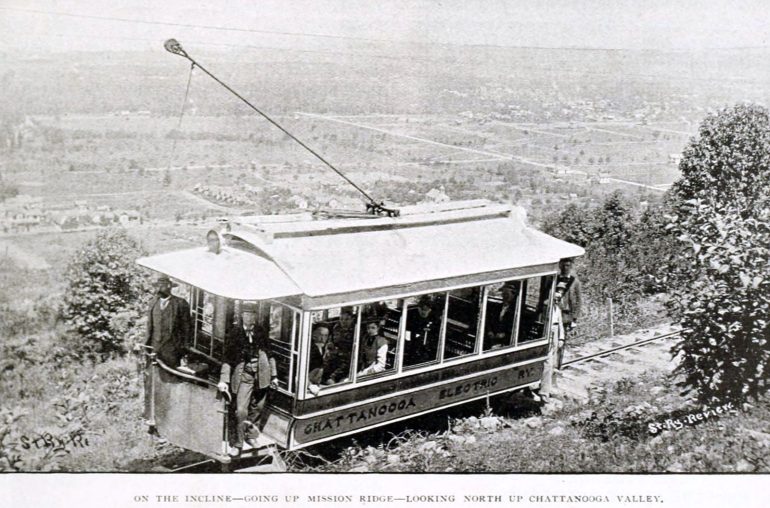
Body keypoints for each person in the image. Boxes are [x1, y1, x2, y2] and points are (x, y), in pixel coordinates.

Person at [218, 307, 278, 455]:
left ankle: (251, 437)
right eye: (247, 315)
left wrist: (274, 376)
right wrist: (224, 380)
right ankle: (238, 444)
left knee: (257, 408)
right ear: (242, 316)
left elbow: (270, 355)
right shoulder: (234, 334)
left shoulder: (261, 332)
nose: (250, 318)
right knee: (241, 411)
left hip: (262, 376)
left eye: (252, 315)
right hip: (244, 376)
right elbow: (227, 359)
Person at [145, 275, 191, 367]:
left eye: (161, 286)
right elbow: (149, 326)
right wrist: (146, 344)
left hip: (172, 349)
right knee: (154, 371)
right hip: (155, 347)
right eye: (157, 286)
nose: (158, 289)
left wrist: (184, 348)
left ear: (169, 286)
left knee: (170, 372)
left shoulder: (180, 303)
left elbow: (187, 328)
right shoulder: (153, 303)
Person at [555, 258, 582, 369]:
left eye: (568, 266)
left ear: (571, 267)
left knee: (561, 340)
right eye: (563, 265)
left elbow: (578, 301)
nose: (565, 268)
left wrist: (574, 318)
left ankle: (558, 365)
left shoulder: (575, 282)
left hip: (566, 315)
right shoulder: (555, 279)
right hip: (554, 313)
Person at [324, 308, 356, 385]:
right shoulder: (336, 328)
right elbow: (331, 340)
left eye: (347, 319)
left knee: (332, 377)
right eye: (341, 319)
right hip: (334, 357)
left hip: (347, 360)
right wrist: (329, 346)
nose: (343, 321)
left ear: (352, 319)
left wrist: (338, 352)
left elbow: (354, 351)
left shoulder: (355, 331)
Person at [484, 282, 518, 349]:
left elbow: (515, 329)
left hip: (506, 341)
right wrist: (490, 331)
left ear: (513, 296)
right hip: (493, 337)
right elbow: (490, 321)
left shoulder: (515, 310)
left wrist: (504, 335)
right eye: (503, 294)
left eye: (507, 295)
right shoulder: (498, 307)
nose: (504, 297)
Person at [405, 296, 438, 365]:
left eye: (426, 310)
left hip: (427, 347)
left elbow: (434, 333)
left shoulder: (434, 318)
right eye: (422, 309)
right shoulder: (413, 316)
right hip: (414, 345)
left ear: (430, 310)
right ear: (419, 308)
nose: (423, 312)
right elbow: (408, 331)